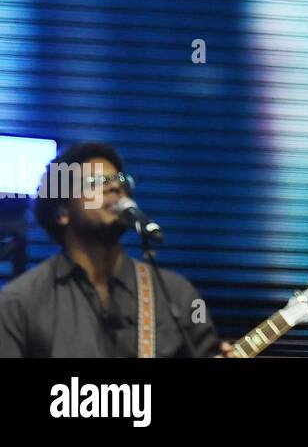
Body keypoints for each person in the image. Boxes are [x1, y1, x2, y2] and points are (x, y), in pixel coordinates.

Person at [0, 142, 231, 358]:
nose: (114, 187)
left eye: (119, 180)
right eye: (95, 182)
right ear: (63, 212)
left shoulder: (177, 294)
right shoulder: (20, 303)